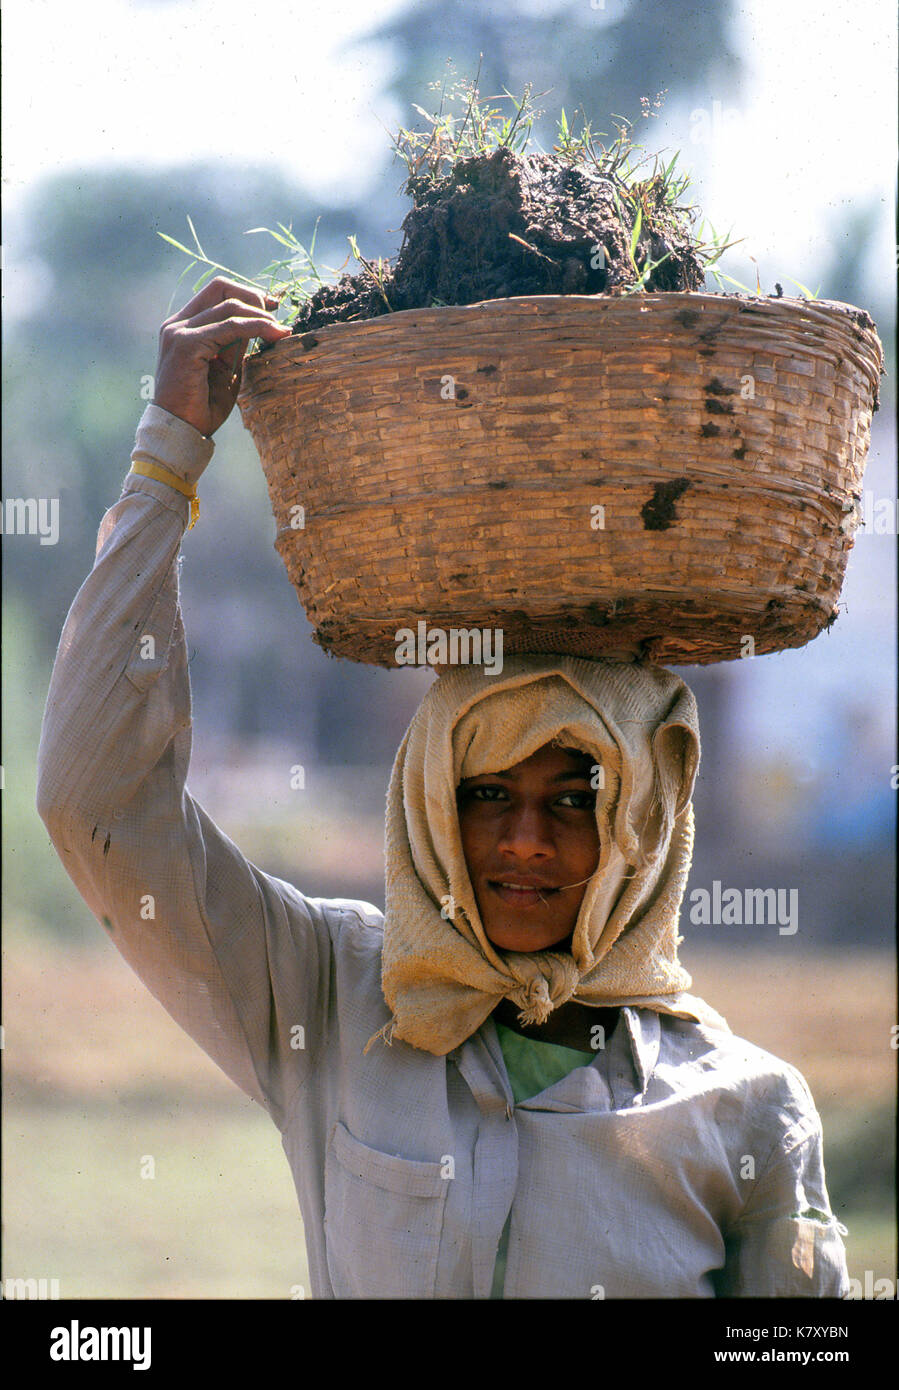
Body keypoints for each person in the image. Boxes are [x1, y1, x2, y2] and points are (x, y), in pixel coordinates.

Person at [36, 279, 849, 1299]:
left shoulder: (748, 1112)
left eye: (572, 798)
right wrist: (167, 460)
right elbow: (95, 805)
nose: (521, 841)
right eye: (481, 794)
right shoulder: (326, 995)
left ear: (641, 817)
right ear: (428, 801)